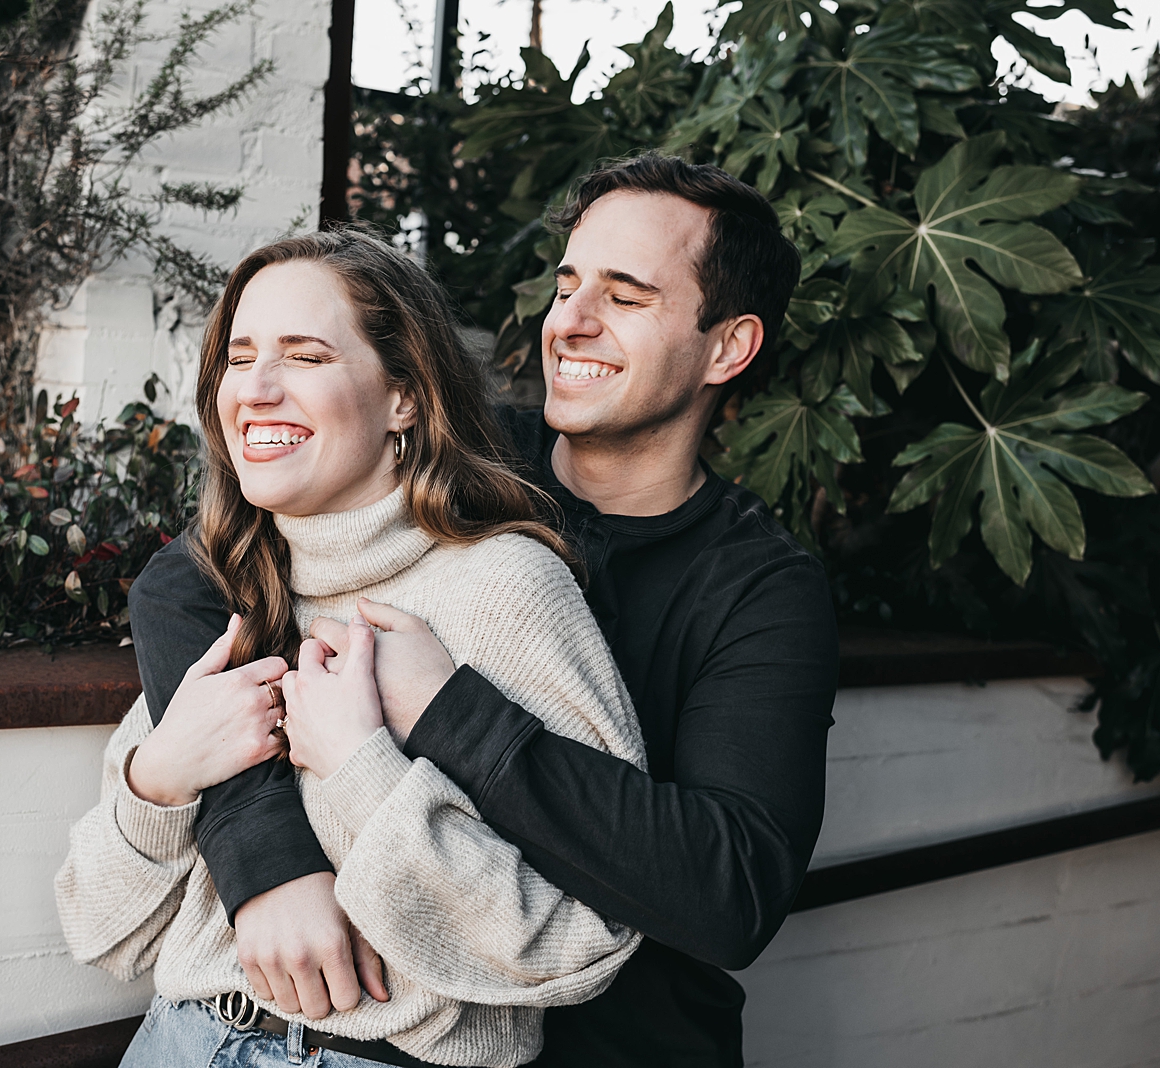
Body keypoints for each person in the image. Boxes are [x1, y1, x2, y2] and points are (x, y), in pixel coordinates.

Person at [129, 154, 839, 1067]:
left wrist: (450, 712)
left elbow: (729, 890)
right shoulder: (462, 455)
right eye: (568, 284)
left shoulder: (759, 588)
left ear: (727, 347)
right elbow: (190, 580)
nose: (569, 323)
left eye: (625, 297)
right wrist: (265, 858)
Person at [55, 229, 653, 1068]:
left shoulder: (501, 588)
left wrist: (365, 774)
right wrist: (160, 779)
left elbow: (587, 940)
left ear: (403, 396)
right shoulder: (232, 594)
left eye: (303, 356)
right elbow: (98, 931)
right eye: (240, 356)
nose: (256, 389)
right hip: (179, 1042)